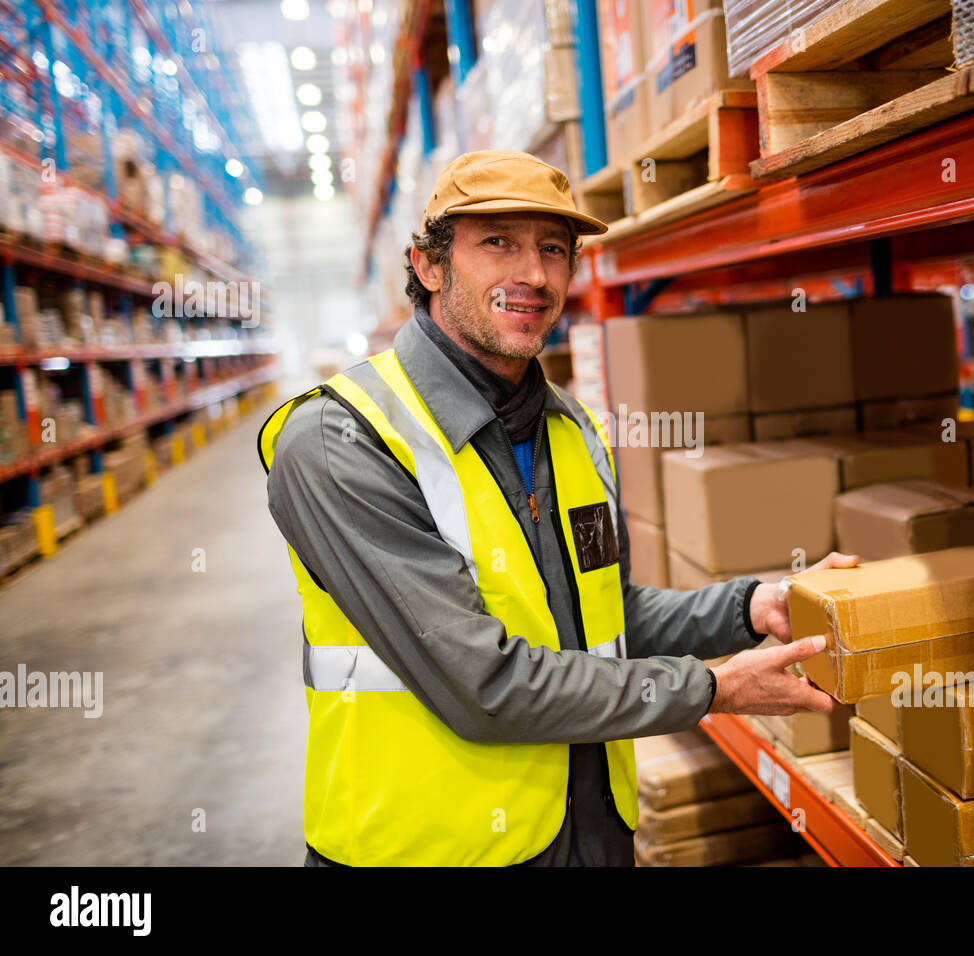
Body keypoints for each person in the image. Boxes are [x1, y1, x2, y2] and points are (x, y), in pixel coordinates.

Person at [259, 149, 855, 867]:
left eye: (552, 248)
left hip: (589, 837)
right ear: (427, 265)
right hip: (434, 851)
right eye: (498, 242)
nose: (534, 275)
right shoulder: (341, 442)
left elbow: (604, 619)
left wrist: (750, 606)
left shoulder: (572, 430)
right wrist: (710, 688)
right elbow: (482, 685)